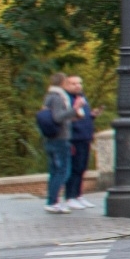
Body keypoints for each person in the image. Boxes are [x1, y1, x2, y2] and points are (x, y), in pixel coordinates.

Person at [39, 72, 76, 213]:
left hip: (51, 138)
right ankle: (53, 201)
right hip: (60, 139)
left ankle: (52, 201)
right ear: (62, 83)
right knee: (63, 172)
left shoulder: (49, 96)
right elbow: (58, 117)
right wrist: (75, 109)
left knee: (54, 171)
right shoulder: (58, 98)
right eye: (67, 82)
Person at [63, 74, 95, 209]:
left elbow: (83, 116)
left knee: (82, 168)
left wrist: (92, 116)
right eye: (74, 83)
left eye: (79, 83)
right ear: (66, 85)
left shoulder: (82, 98)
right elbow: (64, 118)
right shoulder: (66, 99)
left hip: (85, 137)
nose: (78, 86)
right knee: (74, 168)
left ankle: (78, 195)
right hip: (73, 139)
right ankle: (70, 197)